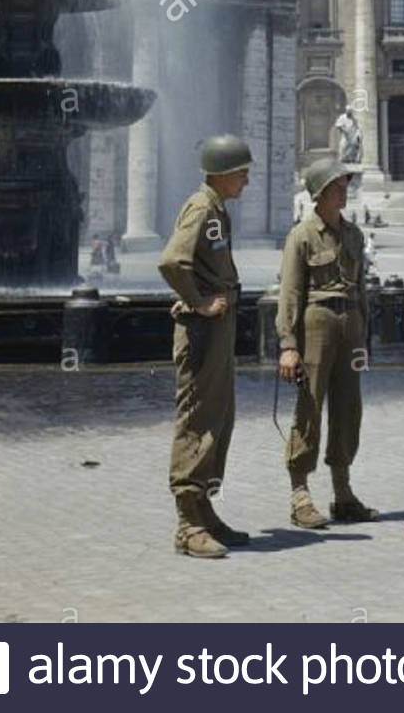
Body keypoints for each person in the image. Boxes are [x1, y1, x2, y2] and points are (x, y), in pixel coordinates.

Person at [158, 134, 253, 559]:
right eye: (242, 173)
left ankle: (205, 509)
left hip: (219, 328)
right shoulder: (201, 208)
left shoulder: (217, 209)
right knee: (197, 418)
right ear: (222, 172)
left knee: (219, 417)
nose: (246, 181)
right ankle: (188, 524)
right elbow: (171, 262)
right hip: (202, 330)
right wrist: (198, 302)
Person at [276, 156, 377, 529]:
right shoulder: (301, 236)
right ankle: (300, 493)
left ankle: (343, 491)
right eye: (337, 185)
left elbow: (362, 287)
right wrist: (288, 344)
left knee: (349, 408)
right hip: (315, 324)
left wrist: (364, 335)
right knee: (310, 405)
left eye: (345, 184)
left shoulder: (354, 234)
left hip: (350, 324)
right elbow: (290, 293)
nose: (344, 190)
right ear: (320, 193)